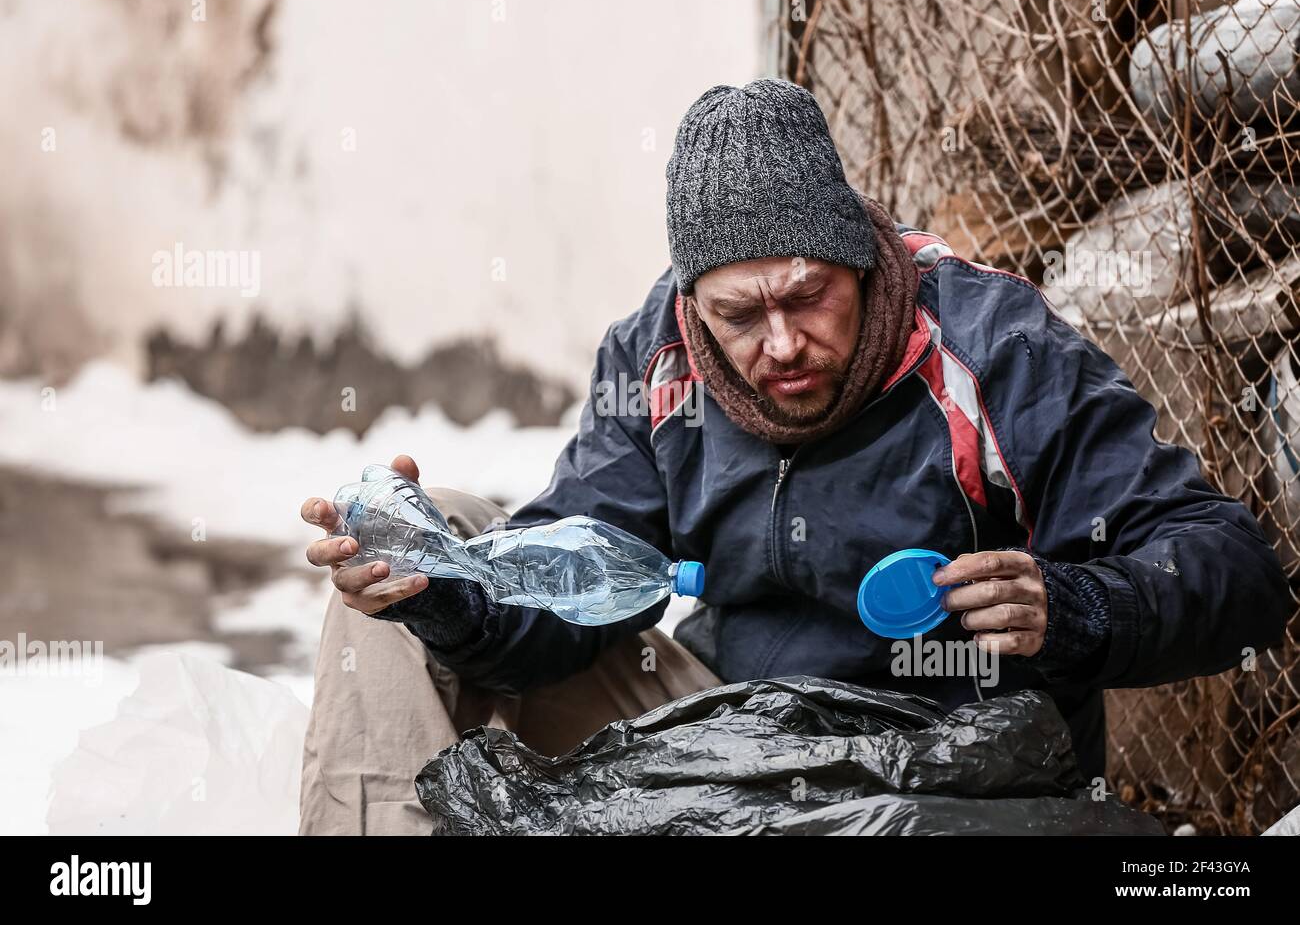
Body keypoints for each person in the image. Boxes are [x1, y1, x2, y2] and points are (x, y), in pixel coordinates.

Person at [297, 78, 1290, 835]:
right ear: (693, 303)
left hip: (931, 764)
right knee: (408, 571)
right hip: (717, 727)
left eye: (807, 295)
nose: (778, 343)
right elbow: (572, 596)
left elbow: (1234, 570)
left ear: (859, 260)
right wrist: (448, 595)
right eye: (739, 312)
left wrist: (1076, 606)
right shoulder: (655, 352)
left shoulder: (995, 345)